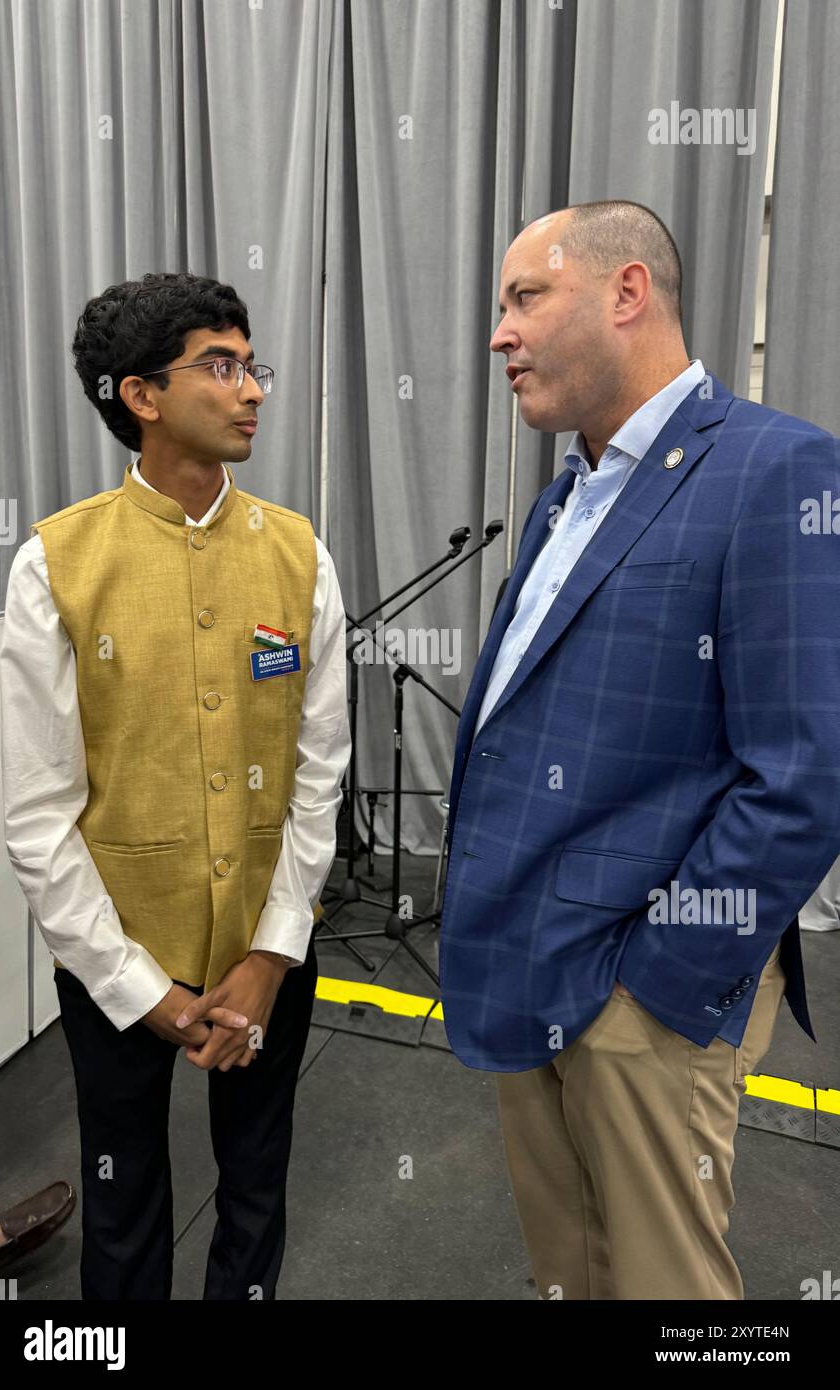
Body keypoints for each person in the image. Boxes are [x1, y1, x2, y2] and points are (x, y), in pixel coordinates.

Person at [439, 200, 840, 1300]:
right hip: (530, 960)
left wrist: (660, 988)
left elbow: (802, 774)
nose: (498, 333)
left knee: (664, 1289)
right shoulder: (565, 493)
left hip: (640, 998)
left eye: (524, 297)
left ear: (626, 293)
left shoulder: (777, 471)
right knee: (568, 1270)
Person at [0, 272, 350, 1300]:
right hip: (115, 953)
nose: (252, 390)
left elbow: (318, 771)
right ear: (140, 396)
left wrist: (270, 954)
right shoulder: (55, 564)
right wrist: (137, 988)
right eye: (222, 365)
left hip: (265, 950)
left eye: (252, 365)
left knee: (254, 1188)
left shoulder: (299, 555)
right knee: (123, 1199)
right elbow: (37, 815)